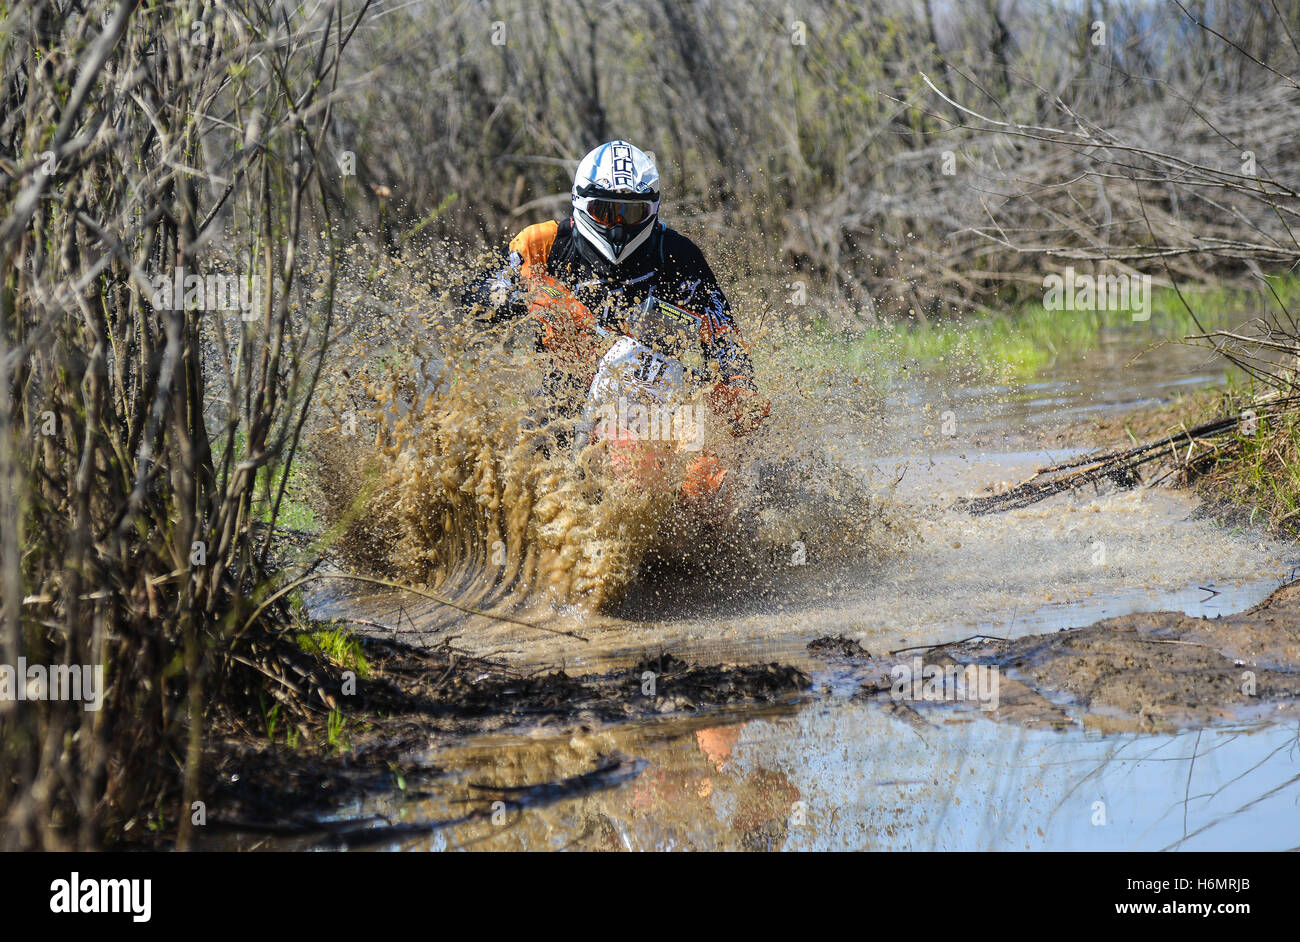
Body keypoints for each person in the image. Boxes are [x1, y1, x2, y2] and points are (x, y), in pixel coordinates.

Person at [463, 140, 768, 509]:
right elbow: (477, 298)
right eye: (607, 211)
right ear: (581, 204)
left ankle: (694, 547)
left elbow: (724, 336)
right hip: (566, 392)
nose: (619, 227)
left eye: (631, 212)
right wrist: (529, 295)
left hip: (655, 396)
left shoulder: (679, 256)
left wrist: (740, 387)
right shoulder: (543, 243)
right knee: (516, 479)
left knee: (710, 483)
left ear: (652, 210)